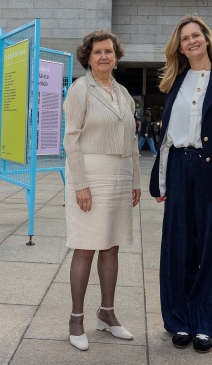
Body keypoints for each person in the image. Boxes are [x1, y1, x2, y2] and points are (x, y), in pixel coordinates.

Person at [149, 14, 212, 354]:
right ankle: (180, 319)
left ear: (206, 38)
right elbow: (166, 137)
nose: (191, 41)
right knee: (178, 249)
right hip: (178, 168)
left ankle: (208, 322)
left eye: (196, 35)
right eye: (184, 38)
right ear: (179, 47)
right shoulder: (175, 82)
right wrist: (161, 180)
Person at [63, 29, 141, 351]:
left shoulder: (123, 93)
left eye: (109, 51)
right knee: (85, 247)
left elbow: (133, 141)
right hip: (90, 179)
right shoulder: (80, 90)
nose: (104, 56)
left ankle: (106, 313)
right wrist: (80, 183)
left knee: (112, 247)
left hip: (120, 177)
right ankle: (76, 319)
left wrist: (135, 180)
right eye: (98, 52)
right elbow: (71, 138)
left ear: (116, 56)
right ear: (88, 57)